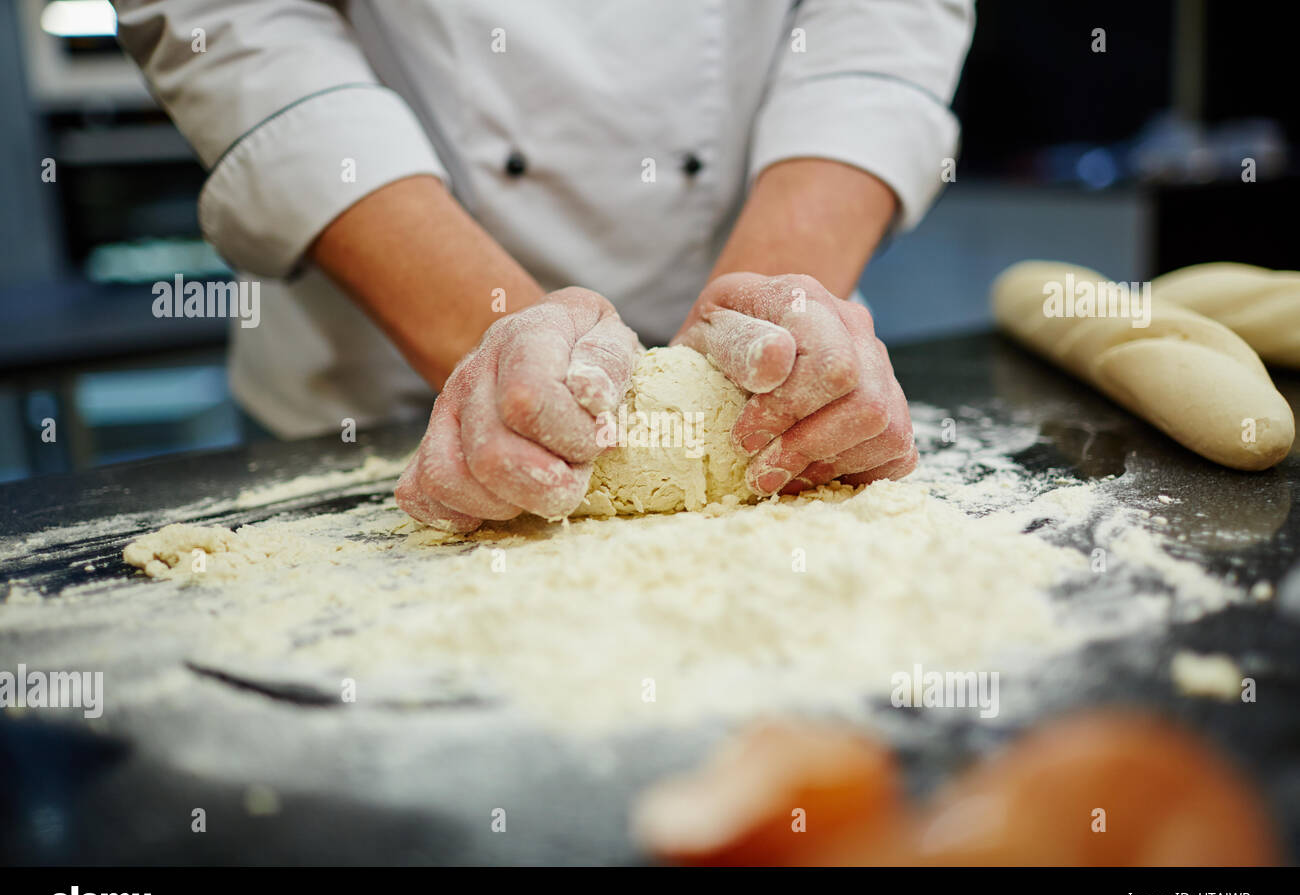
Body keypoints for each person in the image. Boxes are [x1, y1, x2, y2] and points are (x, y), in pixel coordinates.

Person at [115, 0, 974, 531]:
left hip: (776, 399)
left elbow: (884, 16)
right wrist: (493, 344)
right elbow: (232, 18)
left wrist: (774, 336)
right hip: (372, 384)